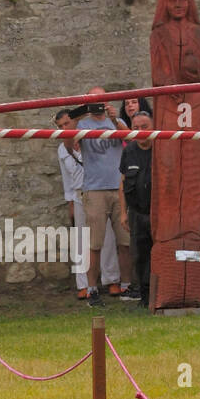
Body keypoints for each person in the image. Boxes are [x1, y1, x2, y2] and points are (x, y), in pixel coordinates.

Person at [72, 87, 133, 306]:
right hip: (94, 189)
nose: (99, 104)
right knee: (94, 244)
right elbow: (70, 146)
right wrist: (78, 115)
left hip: (118, 188)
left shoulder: (115, 122)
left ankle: (126, 285)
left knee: (125, 241)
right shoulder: (82, 124)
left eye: (102, 99)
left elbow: (130, 139)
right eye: (94, 100)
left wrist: (116, 119)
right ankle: (92, 290)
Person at [56, 108, 121, 299]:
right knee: (81, 241)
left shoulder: (91, 137)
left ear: (76, 121)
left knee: (106, 237)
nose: (64, 128)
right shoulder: (63, 148)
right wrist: (70, 201)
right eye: (60, 126)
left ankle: (111, 280)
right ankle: (83, 284)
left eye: (67, 123)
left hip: (97, 191)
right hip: (78, 195)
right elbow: (66, 177)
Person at [119, 112, 154, 306]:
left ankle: (158, 293)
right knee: (139, 255)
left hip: (158, 213)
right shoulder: (129, 150)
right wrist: (123, 213)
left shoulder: (162, 146)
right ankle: (144, 295)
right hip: (136, 213)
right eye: (136, 127)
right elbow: (123, 183)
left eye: (145, 127)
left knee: (158, 253)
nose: (140, 131)